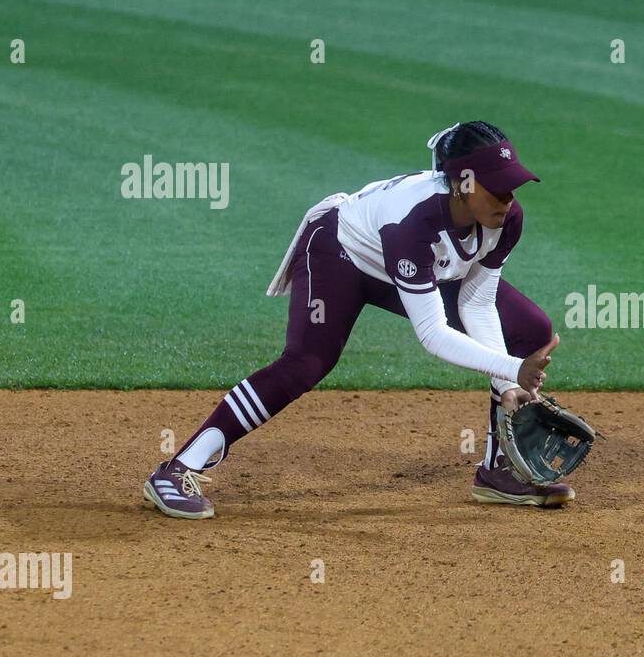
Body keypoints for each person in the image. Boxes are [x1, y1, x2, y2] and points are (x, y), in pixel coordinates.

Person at [143, 121, 573, 519]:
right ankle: (178, 468)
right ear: (461, 184)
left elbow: (477, 304)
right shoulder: (412, 221)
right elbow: (432, 334)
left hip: (410, 266)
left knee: (529, 328)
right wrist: (512, 368)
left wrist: (508, 383)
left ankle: (499, 470)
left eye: (512, 186)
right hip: (341, 254)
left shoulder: (505, 219)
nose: (508, 198)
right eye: (497, 189)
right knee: (308, 361)